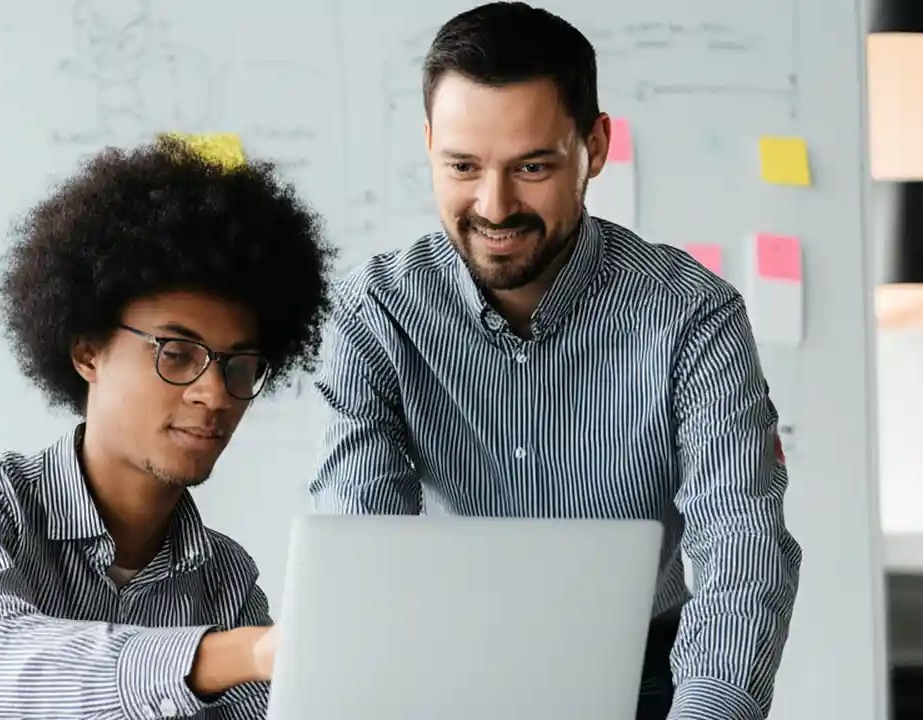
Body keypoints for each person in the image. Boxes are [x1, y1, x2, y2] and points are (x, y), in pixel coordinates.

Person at [308, 3, 802, 719]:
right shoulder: (375, 312)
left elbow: (741, 553)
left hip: (649, 677)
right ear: (428, 146)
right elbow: (361, 549)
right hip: (450, 670)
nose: (494, 205)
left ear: (594, 147)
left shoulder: (692, 314)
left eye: (532, 166)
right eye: (462, 166)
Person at [0, 136, 334, 719]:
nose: (214, 394)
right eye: (178, 352)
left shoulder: (225, 583)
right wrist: (245, 652)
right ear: (88, 351)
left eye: (239, 364)